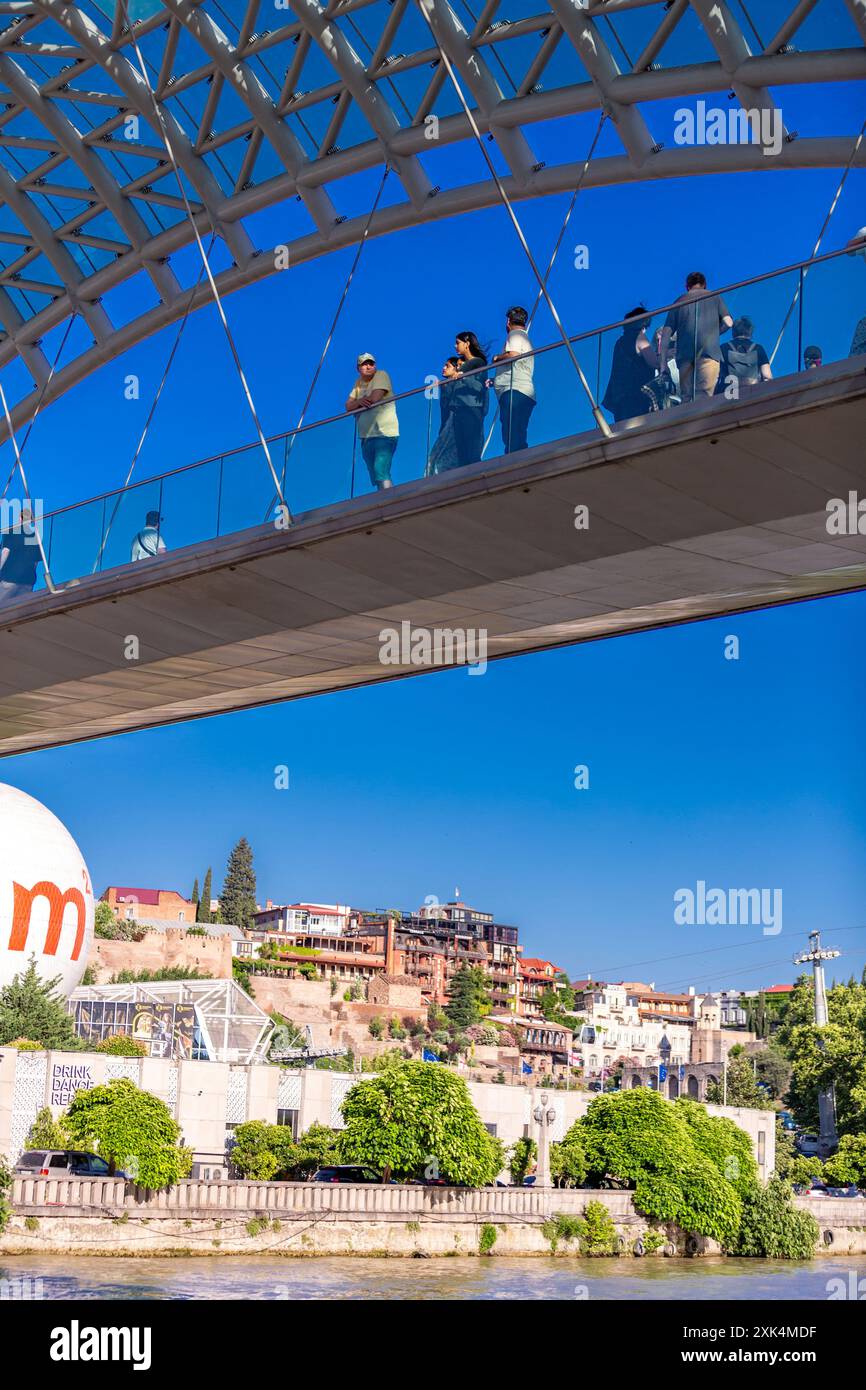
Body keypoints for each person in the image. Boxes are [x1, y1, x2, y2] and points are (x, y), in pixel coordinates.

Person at [658, 271, 733, 401]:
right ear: (704, 284)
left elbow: (665, 335)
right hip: (708, 353)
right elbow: (729, 322)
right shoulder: (715, 297)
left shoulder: (678, 302)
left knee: (686, 397)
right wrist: (717, 332)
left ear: (687, 286)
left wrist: (663, 365)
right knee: (704, 395)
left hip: (684, 356)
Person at [345, 351, 399, 491]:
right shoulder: (358, 384)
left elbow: (374, 398)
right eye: (364, 364)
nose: (368, 366)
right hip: (366, 437)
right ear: (358, 368)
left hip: (384, 433)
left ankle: (389, 500)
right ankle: (382, 498)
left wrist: (358, 403)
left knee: (380, 469)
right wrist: (360, 402)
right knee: (375, 475)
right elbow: (348, 406)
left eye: (371, 363)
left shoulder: (381, 375)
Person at [602, 307, 658, 422]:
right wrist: (664, 356)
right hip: (637, 394)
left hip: (619, 398)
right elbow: (654, 362)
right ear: (644, 324)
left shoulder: (620, 342)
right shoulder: (639, 337)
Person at [492, 306, 535, 453]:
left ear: (508, 321)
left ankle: (515, 458)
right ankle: (517, 455)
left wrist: (497, 358)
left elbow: (513, 355)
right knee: (516, 430)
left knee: (512, 430)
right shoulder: (523, 337)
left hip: (514, 391)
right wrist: (495, 380)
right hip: (521, 391)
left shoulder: (515, 335)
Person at [451, 331, 488, 467]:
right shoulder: (463, 365)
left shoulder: (478, 362)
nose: (455, 346)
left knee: (472, 451)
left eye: (458, 343)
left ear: (467, 344)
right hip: (459, 411)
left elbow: (480, 387)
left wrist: (463, 377)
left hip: (472, 410)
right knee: (462, 453)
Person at [717, 316, 772, 395]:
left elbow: (716, 374)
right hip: (752, 393)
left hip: (729, 393)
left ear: (733, 332)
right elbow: (767, 376)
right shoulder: (758, 348)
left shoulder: (723, 347)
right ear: (750, 332)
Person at [426, 356, 460, 476]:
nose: (443, 368)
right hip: (445, 425)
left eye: (448, 366)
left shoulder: (459, 382)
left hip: (454, 424)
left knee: (443, 457)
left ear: (456, 369)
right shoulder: (445, 384)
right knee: (434, 458)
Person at [0, 506, 41, 604]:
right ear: (31, 520)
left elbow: (5, 552)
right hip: (27, 580)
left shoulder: (11, 531)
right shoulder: (35, 537)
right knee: (20, 610)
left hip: (9, 578)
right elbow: (35, 562)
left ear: (20, 518)